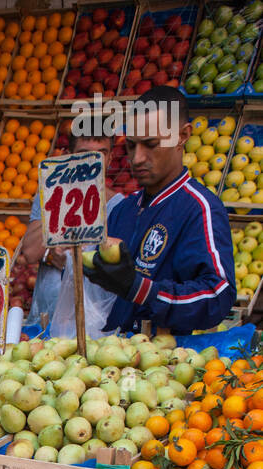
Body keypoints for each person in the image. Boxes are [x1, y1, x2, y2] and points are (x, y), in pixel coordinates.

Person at [84, 87, 236, 334]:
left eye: (151, 144)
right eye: (131, 146)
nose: (137, 158)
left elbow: (218, 296)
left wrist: (140, 288)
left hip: (166, 363)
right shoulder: (123, 209)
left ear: (182, 136)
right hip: (112, 359)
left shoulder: (199, 208)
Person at [20, 132, 118, 328]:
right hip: (46, 319)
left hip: (95, 325)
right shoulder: (49, 195)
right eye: (83, 154)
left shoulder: (118, 205)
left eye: (100, 154)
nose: (91, 163)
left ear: (110, 159)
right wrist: (64, 204)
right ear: (68, 155)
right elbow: (30, 252)